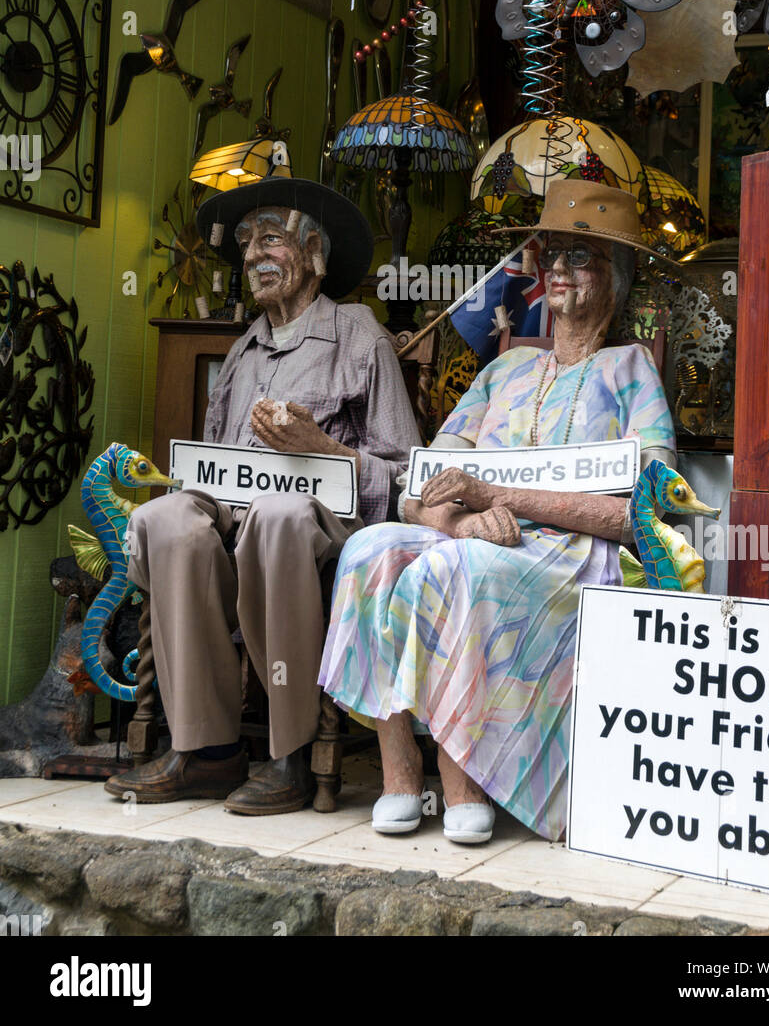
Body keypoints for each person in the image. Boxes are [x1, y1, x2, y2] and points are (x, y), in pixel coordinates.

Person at [319, 180, 677, 845]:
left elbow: (647, 516)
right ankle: (401, 778)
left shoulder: (631, 370)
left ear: (617, 278)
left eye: (581, 256)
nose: (560, 271)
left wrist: (500, 500)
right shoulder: (503, 369)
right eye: (553, 257)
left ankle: (463, 785)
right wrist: (454, 520)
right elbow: (415, 489)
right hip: (475, 536)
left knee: (459, 567)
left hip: (571, 557)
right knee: (370, 550)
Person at [105, 176, 421, 814]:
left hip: (319, 537)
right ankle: (209, 750)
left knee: (276, 517)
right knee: (168, 518)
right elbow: (214, 466)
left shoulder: (363, 341)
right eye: (246, 242)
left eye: (270, 239)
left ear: (315, 254)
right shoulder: (245, 349)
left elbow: (406, 477)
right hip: (234, 532)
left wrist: (321, 449)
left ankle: (289, 753)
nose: (251, 256)